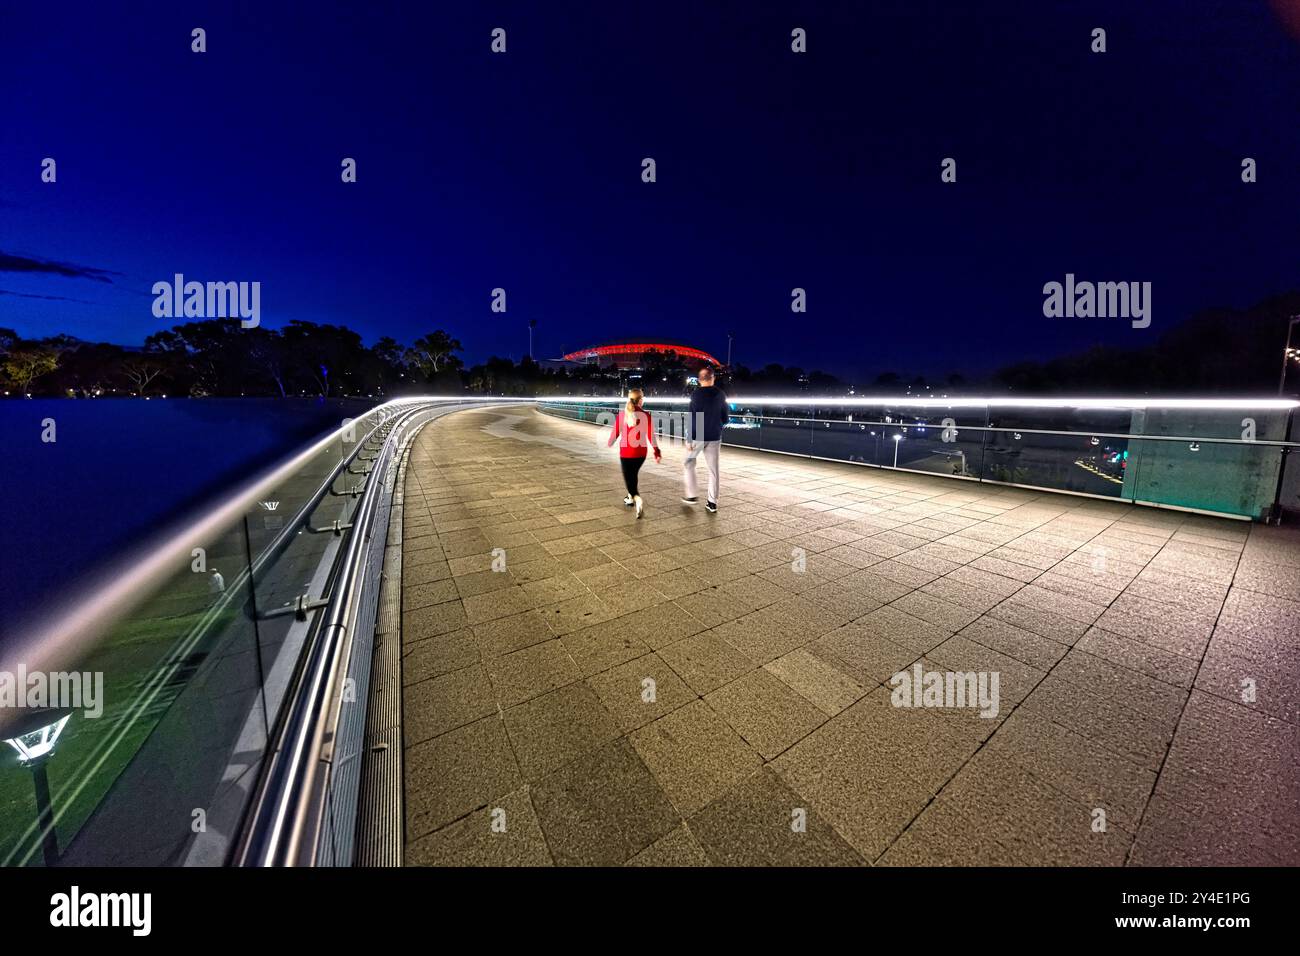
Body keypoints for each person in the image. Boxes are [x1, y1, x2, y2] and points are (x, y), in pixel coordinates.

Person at [608, 388, 661, 518]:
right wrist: (656, 451)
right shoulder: (646, 415)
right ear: (641, 401)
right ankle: (630, 497)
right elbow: (651, 436)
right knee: (633, 475)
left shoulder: (622, 415)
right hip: (641, 453)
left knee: (629, 479)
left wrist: (610, 442)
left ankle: (636, 498)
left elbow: (615, 433)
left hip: (626, 453)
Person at [682, 366, 726, 513]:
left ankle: (692, 495)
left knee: (689, 463)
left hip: (698, 435)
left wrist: (688, 439)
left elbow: (692, 417)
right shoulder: (720, 394)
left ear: (700, 380)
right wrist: (717, 425)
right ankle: (712, 503)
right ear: (713, 378)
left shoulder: (695, 395)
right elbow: (725, 417)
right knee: (713, 471)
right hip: (714, 436)